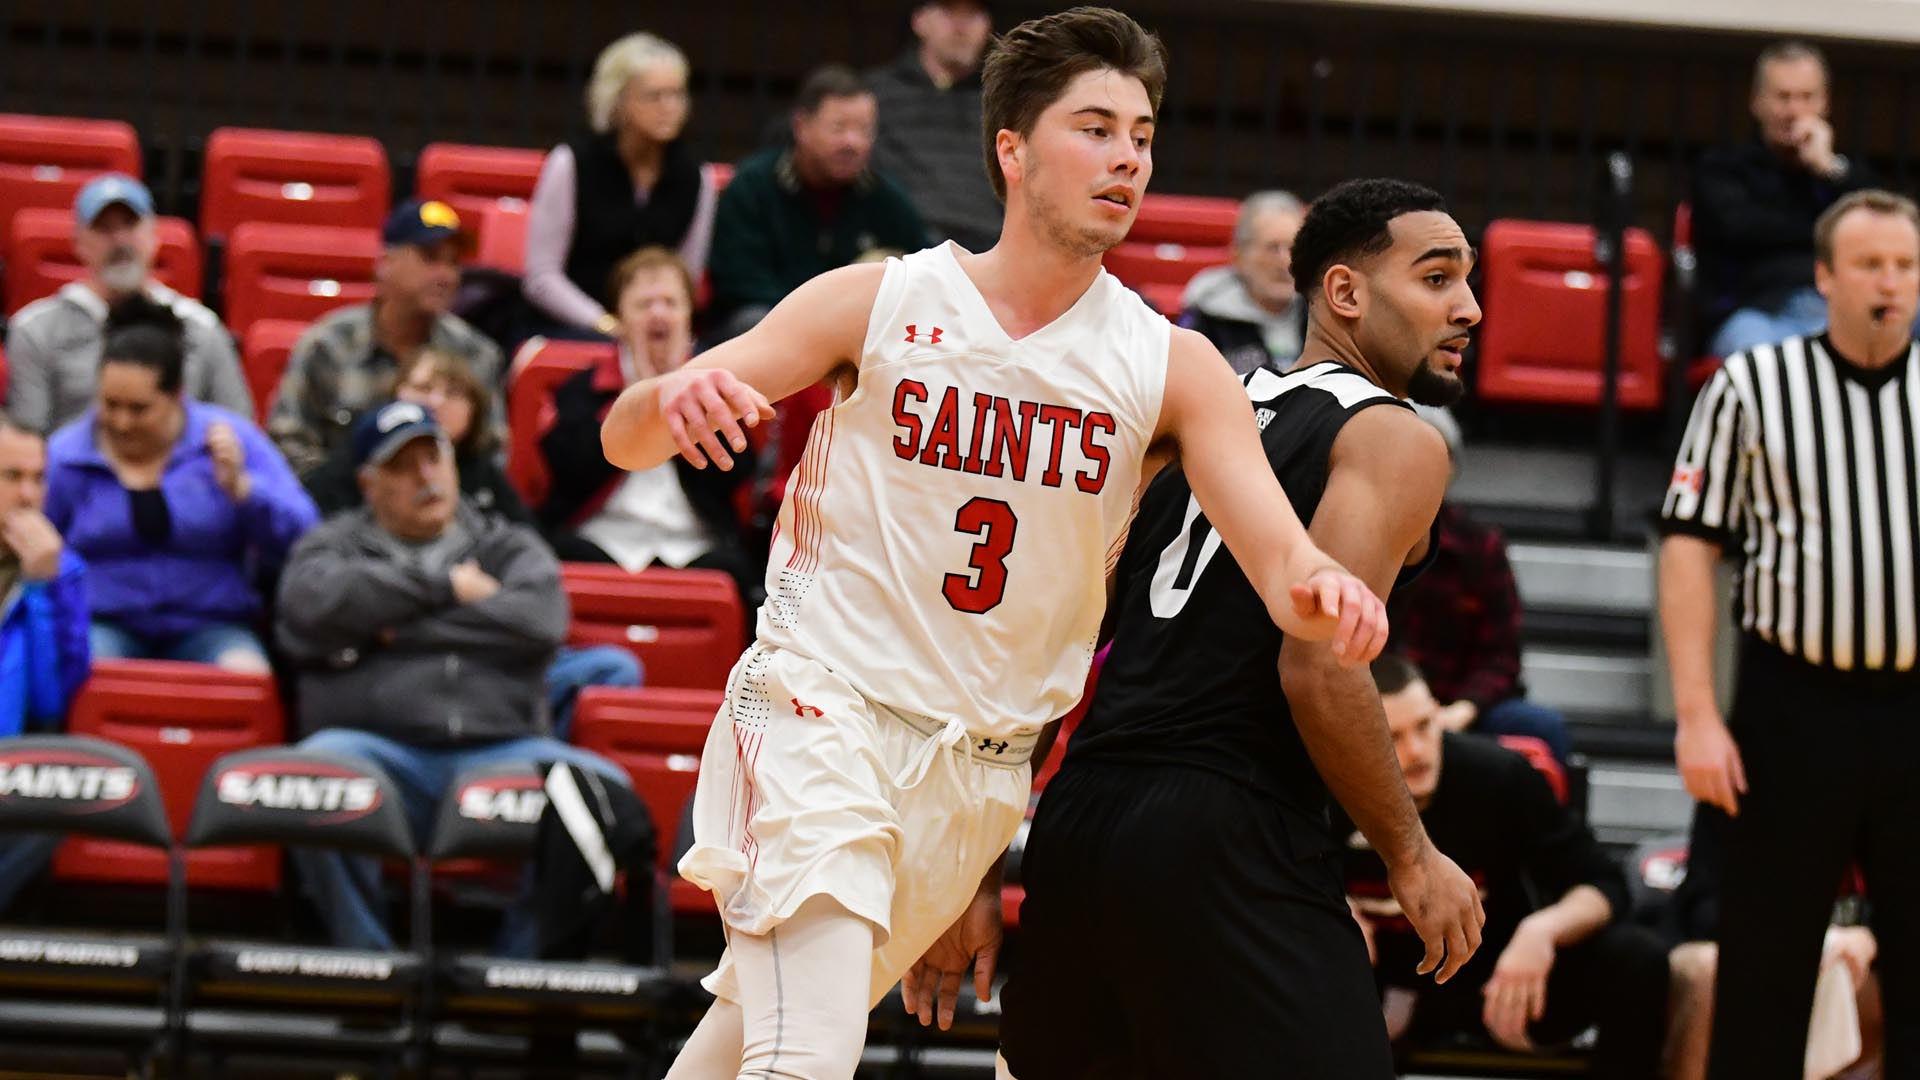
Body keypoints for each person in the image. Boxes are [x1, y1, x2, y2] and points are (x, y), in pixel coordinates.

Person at [603, 11, 1397, 1077]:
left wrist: (1327, 596)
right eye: (1096, 126)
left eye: (1144, 134)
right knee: (808, 1052)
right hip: (820, 707)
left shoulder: (1174, 366)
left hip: (978, 774)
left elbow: (1282, 560)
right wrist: (676, 393)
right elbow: (628, 430)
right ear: (1012, 151)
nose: (1127, 156)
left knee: (744, 1041)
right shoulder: (881, 300)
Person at [997, 177, 1484, 1079]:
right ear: (1345, 293)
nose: (1470, 307)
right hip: (1224, 825)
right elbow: (1319, 667)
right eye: (1438, 278)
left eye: (1468, 280)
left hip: (1082, 817)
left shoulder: (1194, 413)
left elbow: (1053, 638)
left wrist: (980, 869)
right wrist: (1412, 857)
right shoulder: (1395, 439)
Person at [1659, 188, 1920, 1077]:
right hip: (1791, 704)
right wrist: (1697, 714)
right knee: (1764, 976)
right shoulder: (1752, 386)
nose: (1890, 281)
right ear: (1825, 277)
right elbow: (1690, 546)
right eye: (1869, 264)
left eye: (1905, 264)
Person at [276, 401, 630, 954]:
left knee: (604, 793)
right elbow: (310, 608)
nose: (425, 477)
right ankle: (371, 971)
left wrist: (387, 630)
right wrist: (445, 588)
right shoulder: (331, 544)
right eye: (403, 465)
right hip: (378, 749)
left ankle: (516, 976)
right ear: (369, 483)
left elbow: (541, 621)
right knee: (313, 773)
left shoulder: (506, 544)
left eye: (433, 457)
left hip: (504, 747)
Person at [1340, 655, 1670, 1078]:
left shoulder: (1497, 775)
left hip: (1496, 983)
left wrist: (1543, 931)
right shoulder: (1325, 788)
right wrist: (1329, 914)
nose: (1417, 751)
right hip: (1370, 987)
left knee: (1637, 959)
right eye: (1393, 738)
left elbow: (1602, 883)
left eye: (1425, 726)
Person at [44, 297, 317, 672]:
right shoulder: (66, 454)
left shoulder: (230, 440)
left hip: (211, 624)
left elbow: (305, 533)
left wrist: (244, 490)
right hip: (103, 622)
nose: (122, 422)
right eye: (110, 405)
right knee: (86, 675)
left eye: (139, 409)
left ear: (176, 397)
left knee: (246, 679)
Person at [540, 248, 762, 605]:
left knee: (737, 572)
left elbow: (733, 474)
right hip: (602, 535)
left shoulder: (717, 386)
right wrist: (639, 398)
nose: (658, 313)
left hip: (692, 541)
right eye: (644, 304)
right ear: (620, 318)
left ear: (690, 316)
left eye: (671, 303)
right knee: (559, 557)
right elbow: (568, 470)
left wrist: (686, 401)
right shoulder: (584, 388)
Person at [1388, 403, 1572, 762]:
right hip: (1378, 704)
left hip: (1460, 710)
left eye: (1429, 457)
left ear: (1451, 468)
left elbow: (1502, 656)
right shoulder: (1353, 536)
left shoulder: (1480, 546)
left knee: (1543, 728)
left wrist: (1463, 709)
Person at [269, 199, 505, 475]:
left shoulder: (475, 354)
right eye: (430, 258)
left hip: (444, 510)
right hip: (336, 509)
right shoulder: (328, 345)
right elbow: (287, 447)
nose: (446, 276)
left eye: (453, 263)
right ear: (385, 263)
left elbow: (491, 462)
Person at [6, 173, 251, 433]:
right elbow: (26, 442)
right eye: (105, 228)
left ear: (154, 235)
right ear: (78, 243)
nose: (120, 241)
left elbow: (241, 434)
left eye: (130, 225)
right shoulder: (36, 331)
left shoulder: (200, 329)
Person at [705, 64, 928, 342]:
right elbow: (739, 283)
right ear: (801, 126)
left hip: (854, 334)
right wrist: (817, 321)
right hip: (770, 329)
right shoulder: (753, 187)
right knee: (754, 322)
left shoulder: (883, 196)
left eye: (864, 130)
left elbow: (926, 266)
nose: (852, 142)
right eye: (839, 128)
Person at [523, 32, 719, 340]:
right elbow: (542, 277)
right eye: (654, 96)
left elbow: (686, 278)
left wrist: (650, 322)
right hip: (570, 324)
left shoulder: (698, 177)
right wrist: (605, 324)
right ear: (618, 100)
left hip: (655, 330)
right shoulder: (571, 163)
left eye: (677, 95)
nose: (669, 107)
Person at [1694, 41, 1878, 358]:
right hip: (1758, 312)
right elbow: (1742, 229)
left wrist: (1829, 169)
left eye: (1806, 97)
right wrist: (1826, 230)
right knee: (1757, 360)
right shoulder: (1723, 168)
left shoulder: (1843, 175)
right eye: (1783, 97)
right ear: (1757, 102)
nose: (1794, 111)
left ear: (1825, 104)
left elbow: (1882, 227)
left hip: (1844, 311)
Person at [0, 418, 90, 916]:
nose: (29, 495)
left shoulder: (63, 574)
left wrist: (39, 590)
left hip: (8, 763)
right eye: (11, 477)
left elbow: (50, 699)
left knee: (63, 799)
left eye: (38, 478)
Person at [304, 348, 530, 526]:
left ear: (474, 411)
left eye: (453, 393)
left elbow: (532, 545)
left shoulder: (485, 473)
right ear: (395, 396)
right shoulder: (356, 460)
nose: (436, 403)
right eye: (423, 388)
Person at [866, 0, 1002, 254]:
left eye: (973, 15)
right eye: (948, 12)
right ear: (918, 20)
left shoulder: (1004, 101)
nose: (961, 27)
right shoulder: (874, 96)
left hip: (989, 253)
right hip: (899, 250)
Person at [1176, 188, 1307, 374]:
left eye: (1294, 249)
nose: (1285, 261)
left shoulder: (1320, 311)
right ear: (1238, 256)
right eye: (1272, 248)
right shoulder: (1207, 315)